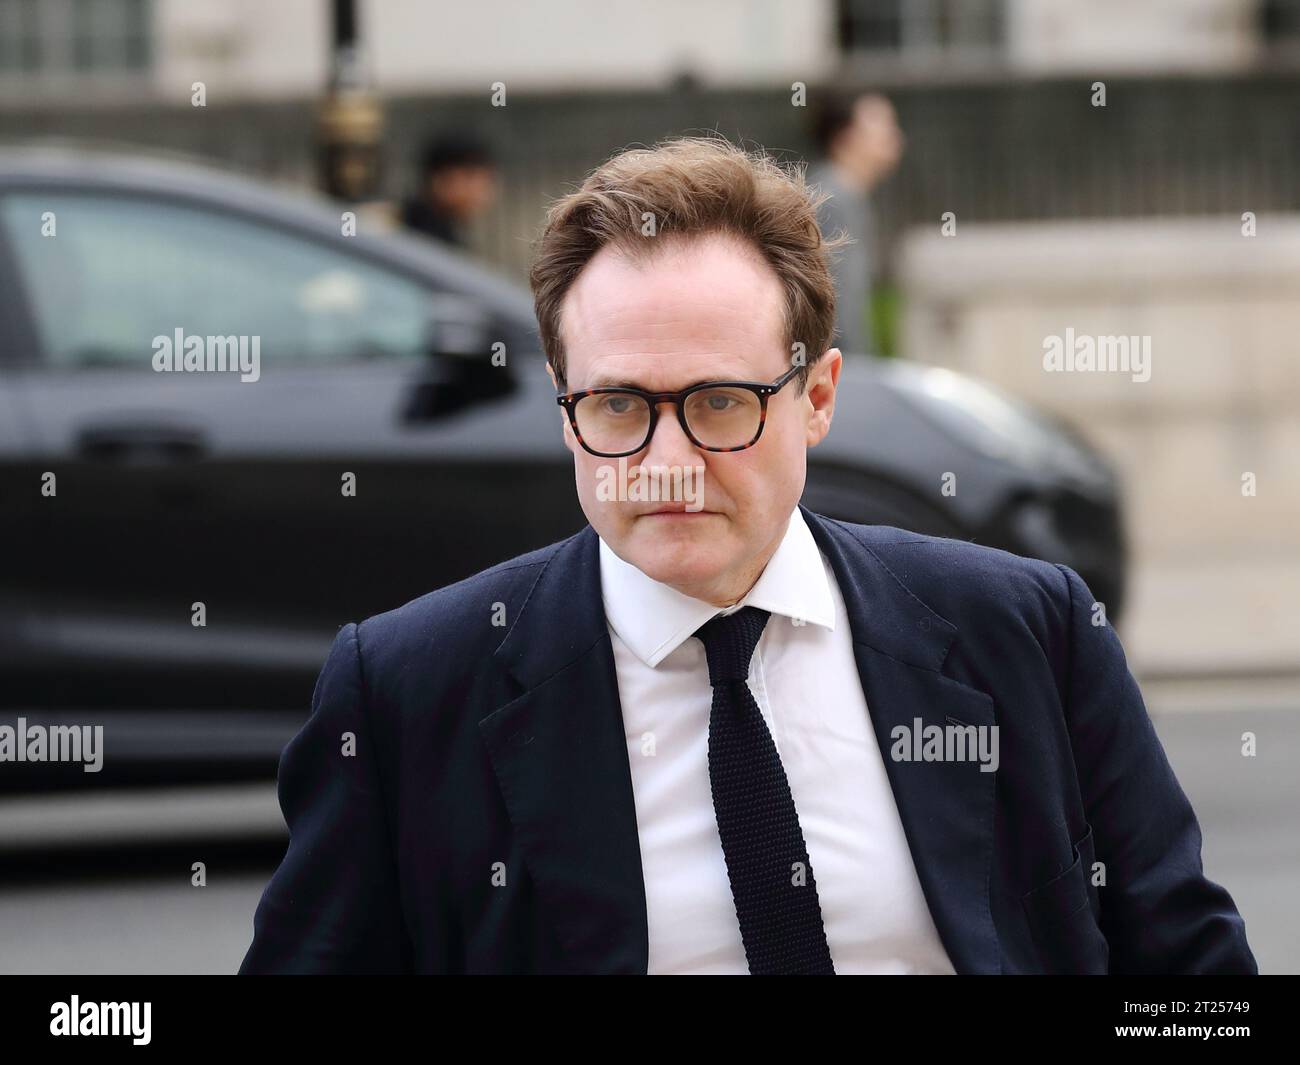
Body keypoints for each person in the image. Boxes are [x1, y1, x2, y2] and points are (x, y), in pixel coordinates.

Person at [239, 137, 1255, 975]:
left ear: (815, 400)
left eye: (721, 402)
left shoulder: (1026, 632)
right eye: (618, 406)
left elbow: (1186, 971)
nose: (666, 461)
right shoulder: (410, 689)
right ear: (564, 408)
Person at [808, 92, 904, 356]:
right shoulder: (835, 197)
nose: (893, 136)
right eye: (881, 127)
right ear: (844, 137)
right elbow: (840, 296)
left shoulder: (841, 193)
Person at [399, 134, 498, 249]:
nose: (481, 189)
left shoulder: (441, 229)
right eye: (471, 177)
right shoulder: (414, 232)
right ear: (441, 178)